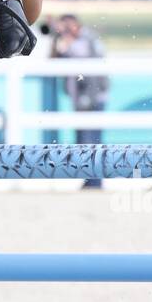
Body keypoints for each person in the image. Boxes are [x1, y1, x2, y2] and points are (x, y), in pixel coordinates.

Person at [50, 15, 109, 188]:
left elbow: (90, 69)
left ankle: (95, 181)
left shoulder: (86, 40)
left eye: (67, 26)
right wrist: (56, 39)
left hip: (93, 97)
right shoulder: (71, 41)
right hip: (82, 98)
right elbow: (54, 60)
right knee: (84, 140)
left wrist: (87, 98)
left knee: (92, 139)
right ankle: (90, 179)